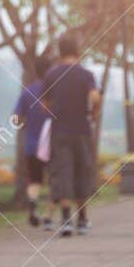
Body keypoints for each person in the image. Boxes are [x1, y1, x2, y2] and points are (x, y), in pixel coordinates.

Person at [39, 32, 102, 236]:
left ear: (60, 51)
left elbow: (44, 106)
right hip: (81, 129)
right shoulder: (86, 75)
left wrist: (56, 111)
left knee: (63, 172)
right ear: (77, 51)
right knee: (82, 171)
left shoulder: (51, 75)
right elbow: (94, 96)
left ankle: (65, 220)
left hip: (60, 131)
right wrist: (93, 113)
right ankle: (82, 220)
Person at [12, 58, 52, 228]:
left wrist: (25, 124)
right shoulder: (53, 91)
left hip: (31, 145)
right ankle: (48, 215)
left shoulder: (27, 92)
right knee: (54, 180)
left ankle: (33, 207)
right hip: (52, 144)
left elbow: (16, 119)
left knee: (34, 180)